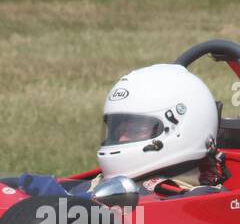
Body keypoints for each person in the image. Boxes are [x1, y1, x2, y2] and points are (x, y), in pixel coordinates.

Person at [95, 63, 227, 197]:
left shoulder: (202, 201)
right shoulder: (92, 186)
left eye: (135, 131)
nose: (121, 139)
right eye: (116, 132)